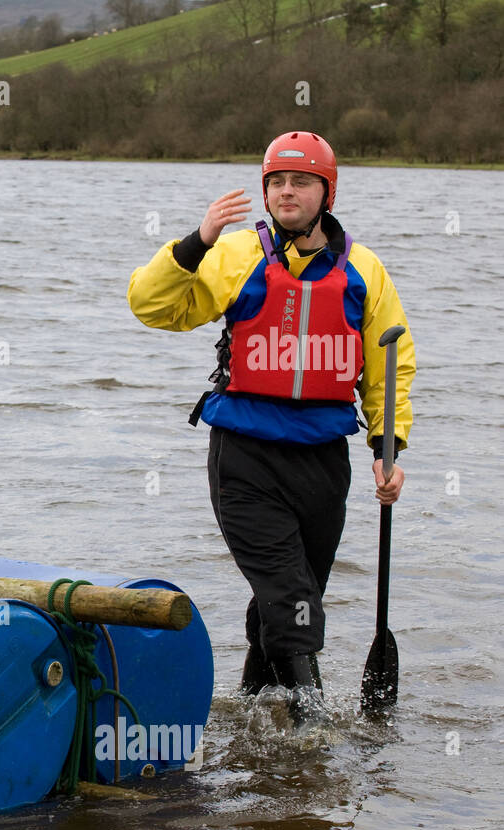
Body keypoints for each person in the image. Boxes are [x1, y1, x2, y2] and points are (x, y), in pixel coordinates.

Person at [126, 130, 415, 725]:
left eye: (301, 181)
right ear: (265, 190)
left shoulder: (363, 269)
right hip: (246, 456)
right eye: (277, 182)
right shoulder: (234, 254)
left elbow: (391, 360)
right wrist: (195, 242)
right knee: (292, 598)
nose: (287, 192)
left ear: (326, 192)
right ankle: (312, 728)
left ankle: (253, 711)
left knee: (295, 595)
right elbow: (152, 306)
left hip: (323, 461)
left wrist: (388, 447)